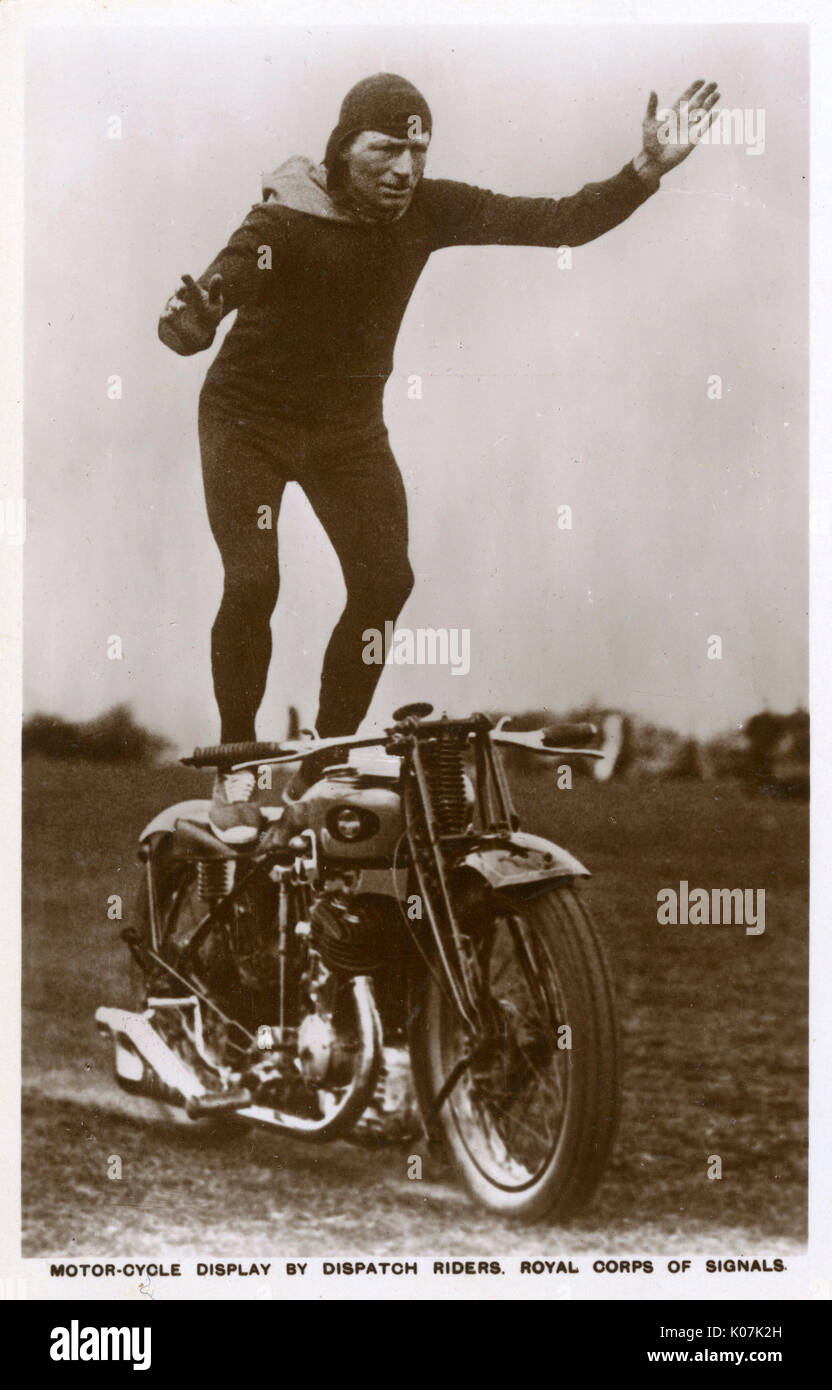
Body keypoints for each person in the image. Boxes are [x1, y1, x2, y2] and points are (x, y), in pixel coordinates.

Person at [158, 71, 719, 843]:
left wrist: (643, 173)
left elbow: (557, 221)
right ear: (342, 148)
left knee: (387, 580)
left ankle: (323, 760)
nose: (404, 170)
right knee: (255, 580)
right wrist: (193, 318)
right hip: (247, 421)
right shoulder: (284, 219)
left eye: (417, 151)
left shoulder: (429, 210)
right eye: (385, 149)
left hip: (346, 432)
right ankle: (238, 765)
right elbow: (219, 286)